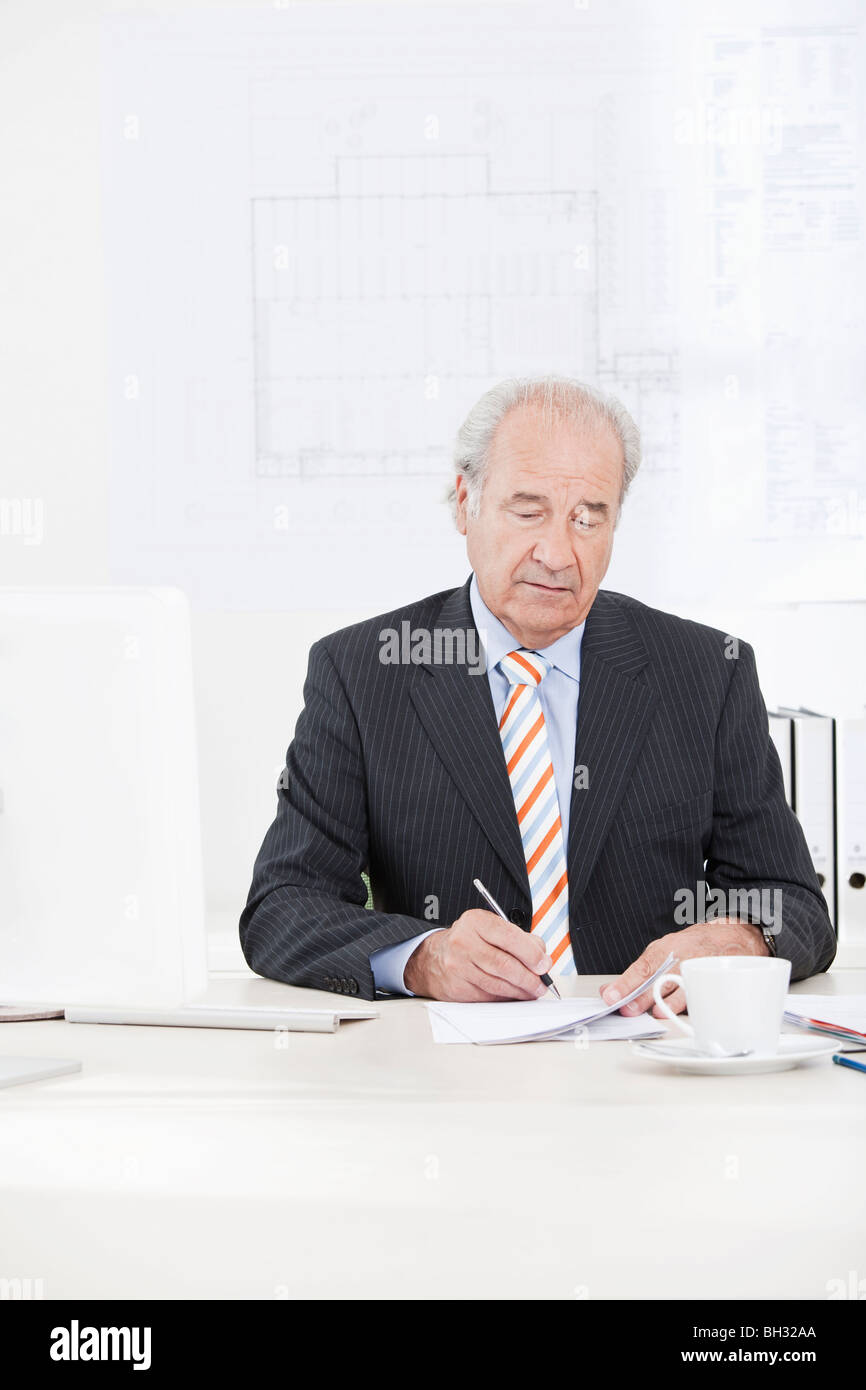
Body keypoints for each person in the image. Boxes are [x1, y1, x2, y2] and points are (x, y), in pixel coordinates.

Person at [240, 375, 836, 1013]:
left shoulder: (707, 673)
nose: (557, 553)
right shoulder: (362, 673)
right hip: (444, 1074)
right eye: (528, 512)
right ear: (466, 501)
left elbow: (794, 904)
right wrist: (422, 957)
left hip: (649, 1065)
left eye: (589, 518)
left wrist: (741, 939)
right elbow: (281, 907)